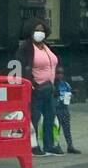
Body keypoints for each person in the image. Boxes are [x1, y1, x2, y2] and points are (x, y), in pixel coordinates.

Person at [15, 20, 61, 156]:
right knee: (34, 117)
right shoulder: (26, 47)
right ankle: (33, 145)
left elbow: (54, 64)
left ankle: (49, 145)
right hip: (36, 89)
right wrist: (31, 84)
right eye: (36, 30)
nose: (39, 33)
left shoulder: (46, 46)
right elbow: (21, 66)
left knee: (50, 116)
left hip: (50, 88)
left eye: (42, 30)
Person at [54, 65, 80, 154]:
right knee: (56, 129)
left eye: (61, 73)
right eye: (58, 73)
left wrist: (72, 96)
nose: (60, 75)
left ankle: (70, 145)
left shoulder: (65, 84)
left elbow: (70, 95)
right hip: (55, 109)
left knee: (67, 128)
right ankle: (56, 145)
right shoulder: (52, 84)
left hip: (64, 108)